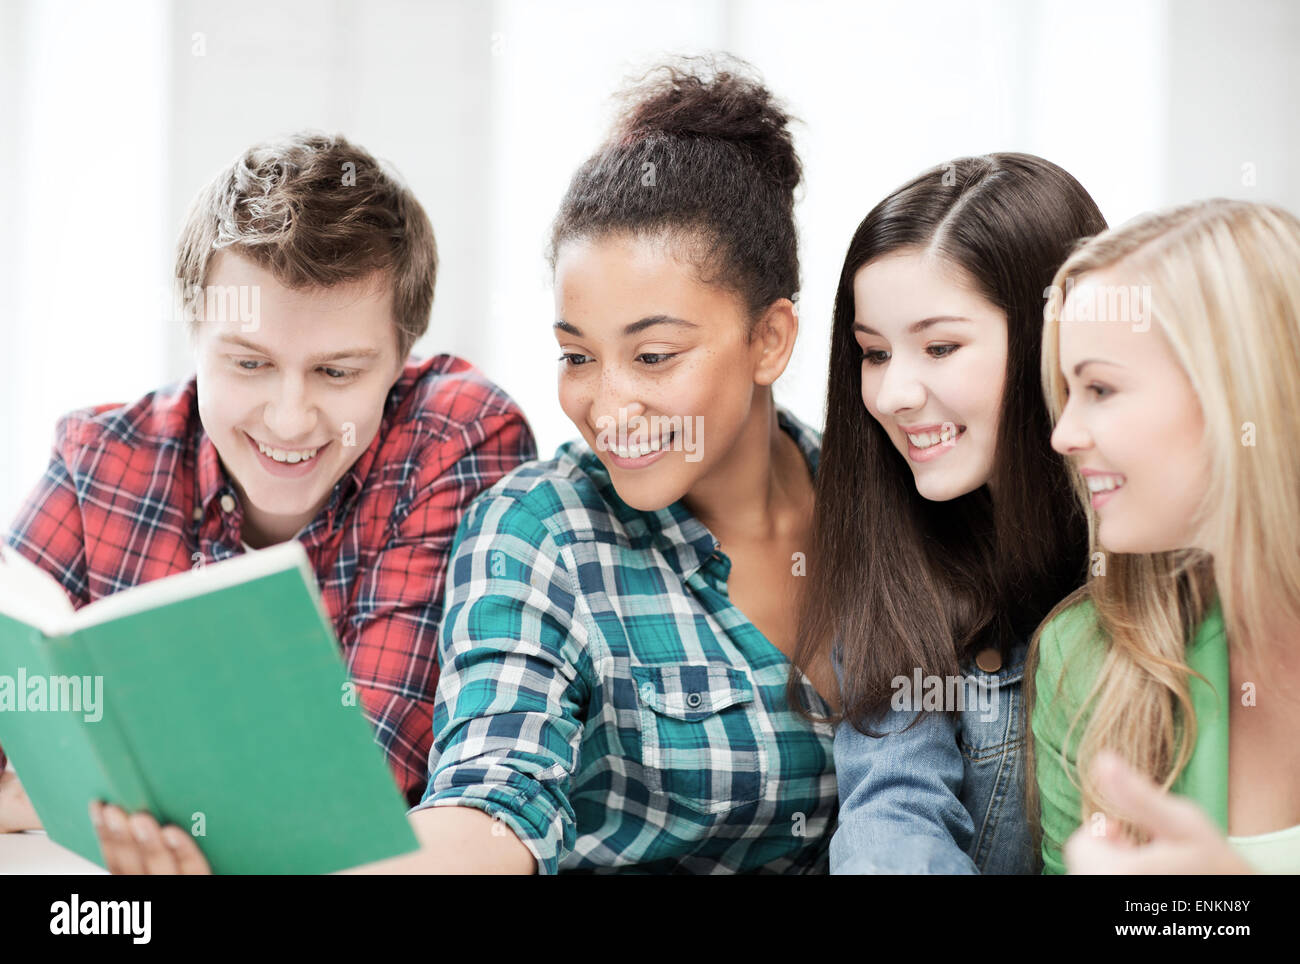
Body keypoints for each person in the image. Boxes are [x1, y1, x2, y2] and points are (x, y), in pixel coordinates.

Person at [87, 56, 839, 874]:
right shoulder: (539, 531)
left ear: (771, 339)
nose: (608, 406)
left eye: (654, 355)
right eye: (577, 356)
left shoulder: (886, 510)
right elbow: (491, 797)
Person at [0, 132, 536, 835]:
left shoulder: (455, 435)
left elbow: (360, 781)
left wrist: (76, 798)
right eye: (249, 365)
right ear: (194, 334)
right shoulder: (97, 459)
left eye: (337, 372)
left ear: (403, 356)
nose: (289, 420)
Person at [793, 154, 1106, 873]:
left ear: (1049, 340)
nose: (894, 394)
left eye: (940, 346)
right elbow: (893, 814)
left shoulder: (1166, 552)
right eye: (873, 353)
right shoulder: (898, 569)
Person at [1031, 198, 1300, 874]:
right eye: (1067, 393)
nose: (1063, 436)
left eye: (1100, 389)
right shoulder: (1090, 665)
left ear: (1239, 390)